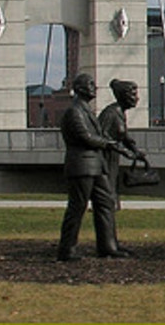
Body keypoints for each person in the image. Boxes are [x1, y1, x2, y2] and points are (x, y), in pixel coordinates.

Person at [56, 73, 133, 261]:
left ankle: (108, 247)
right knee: (77, 208)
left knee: (106, 203)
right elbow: (85, 137)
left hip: (96, 166)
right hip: (81, 166)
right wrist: (109, 144)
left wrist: (119, 146)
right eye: (90, 84)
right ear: (80, 88)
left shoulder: (86, 111)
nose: (94, 87)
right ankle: (67, 250)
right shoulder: (74, 112)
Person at [98, 78, 145, 211]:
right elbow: (102, 135)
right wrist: (123, 150)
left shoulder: (120, 113)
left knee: (113, 181)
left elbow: (124, 136)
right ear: (124, 96)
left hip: (113, 155)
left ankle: (112, 206)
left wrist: (135, 150)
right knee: (107, 181)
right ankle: (106, 207)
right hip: (105, 156)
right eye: (133, 94)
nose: (137, 98)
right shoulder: (110, 113)